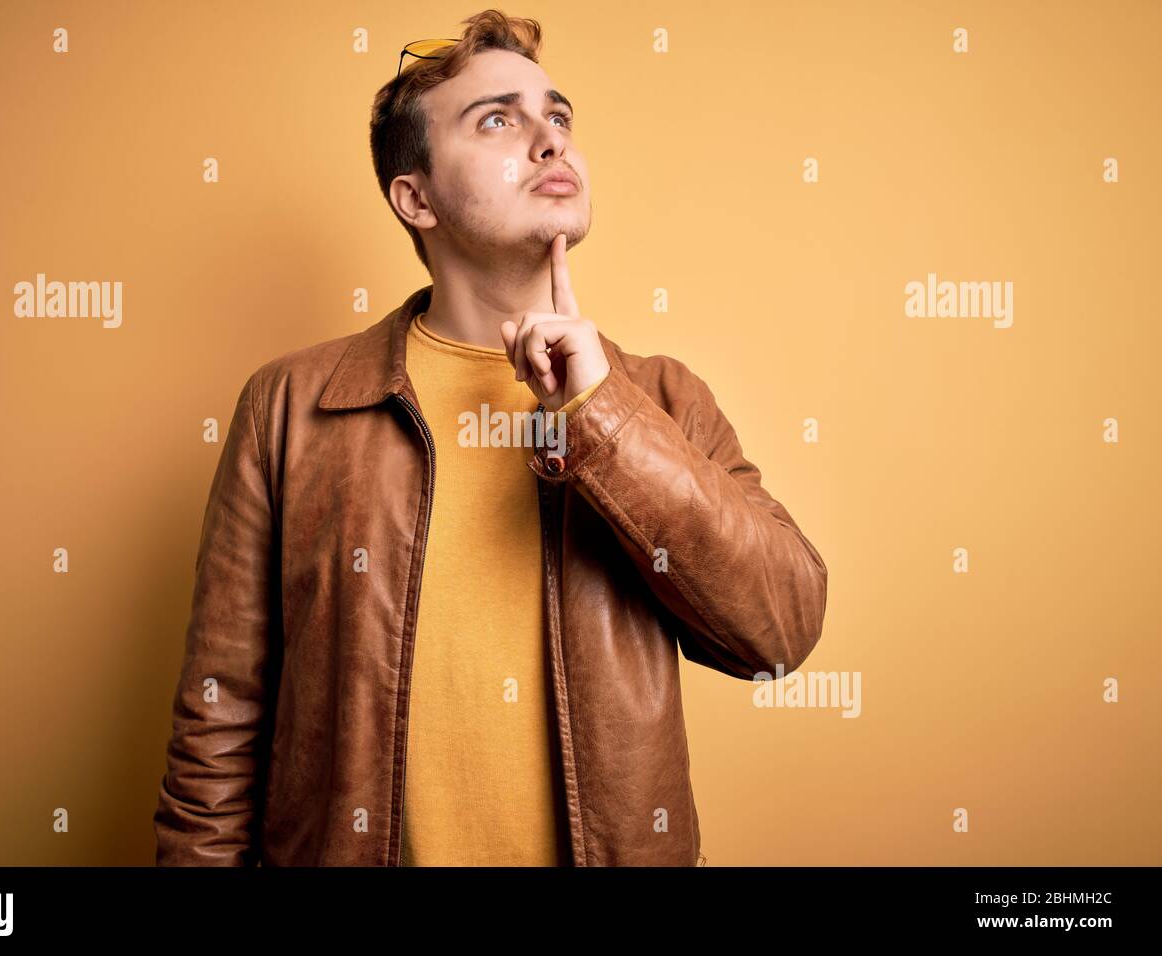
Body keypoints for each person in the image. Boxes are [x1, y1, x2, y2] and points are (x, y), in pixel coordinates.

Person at [153, 8, 828, 867]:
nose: (551, 141)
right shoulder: (291, 408)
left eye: (558, 117)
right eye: (499, 120)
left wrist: (601, 413)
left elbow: (782, 631)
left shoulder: (659, 397)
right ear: (416, 196)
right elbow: (219, 726)